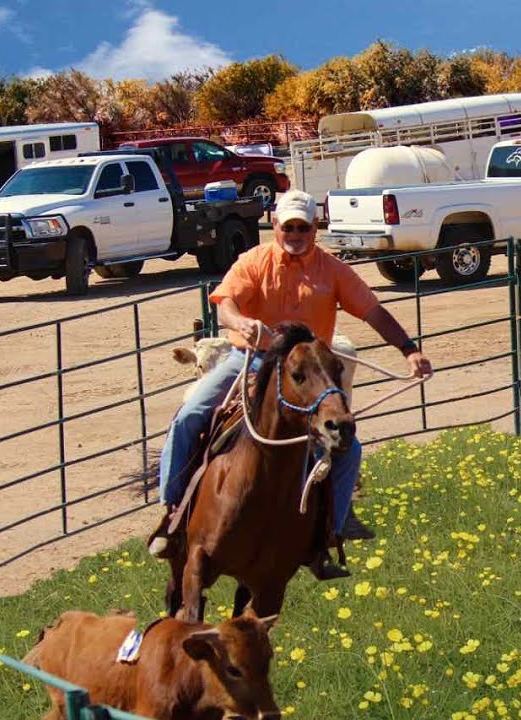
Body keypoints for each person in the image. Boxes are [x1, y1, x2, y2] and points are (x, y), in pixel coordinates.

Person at [147, 190, 434, 579]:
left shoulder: (331, 269)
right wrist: (240, 323)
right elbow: (225, 303)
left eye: (303, 227)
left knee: (347, 444)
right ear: (276, 227)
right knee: (191, 414)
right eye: (288, 227)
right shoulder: (253, 261)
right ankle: (172, 513)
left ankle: (332, 529)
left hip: (309, 371)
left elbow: (372, 310)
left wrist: (409, 349)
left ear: (315, 228)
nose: (295, 233)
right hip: (251, 359)